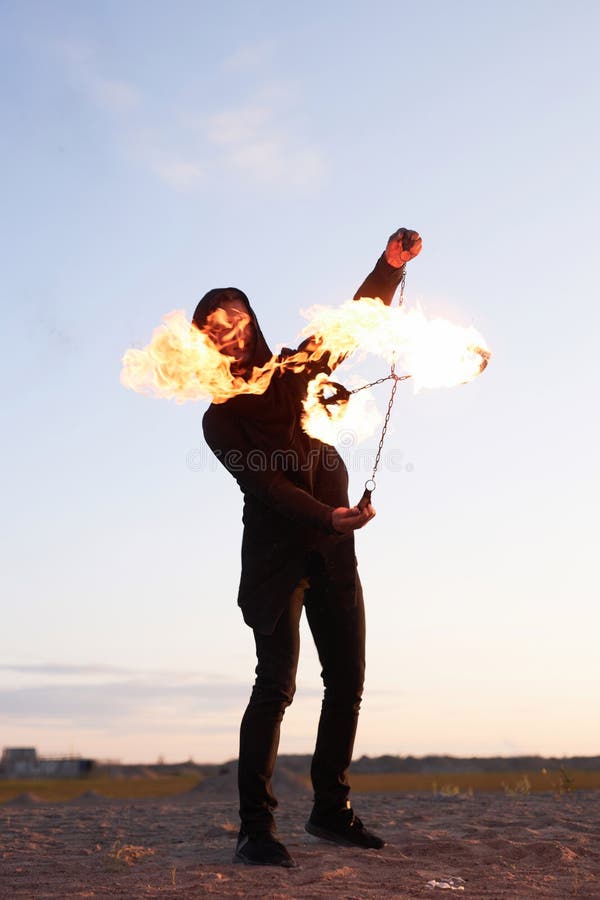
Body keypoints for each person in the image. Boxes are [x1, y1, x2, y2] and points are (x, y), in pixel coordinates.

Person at [194, 227, 422, 868]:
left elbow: (348, 329)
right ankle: (254, 829)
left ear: (252, 321)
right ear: (204, 340)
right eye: (215, 326)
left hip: (334, 549)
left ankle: (331, 810)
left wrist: (388, 268)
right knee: (276, 686)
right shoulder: (221, 416)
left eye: (235, 317)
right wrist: (327, 515)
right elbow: (265, 485)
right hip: (277, 560)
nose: (228, 329)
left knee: (347, 680)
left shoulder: (296, 367)